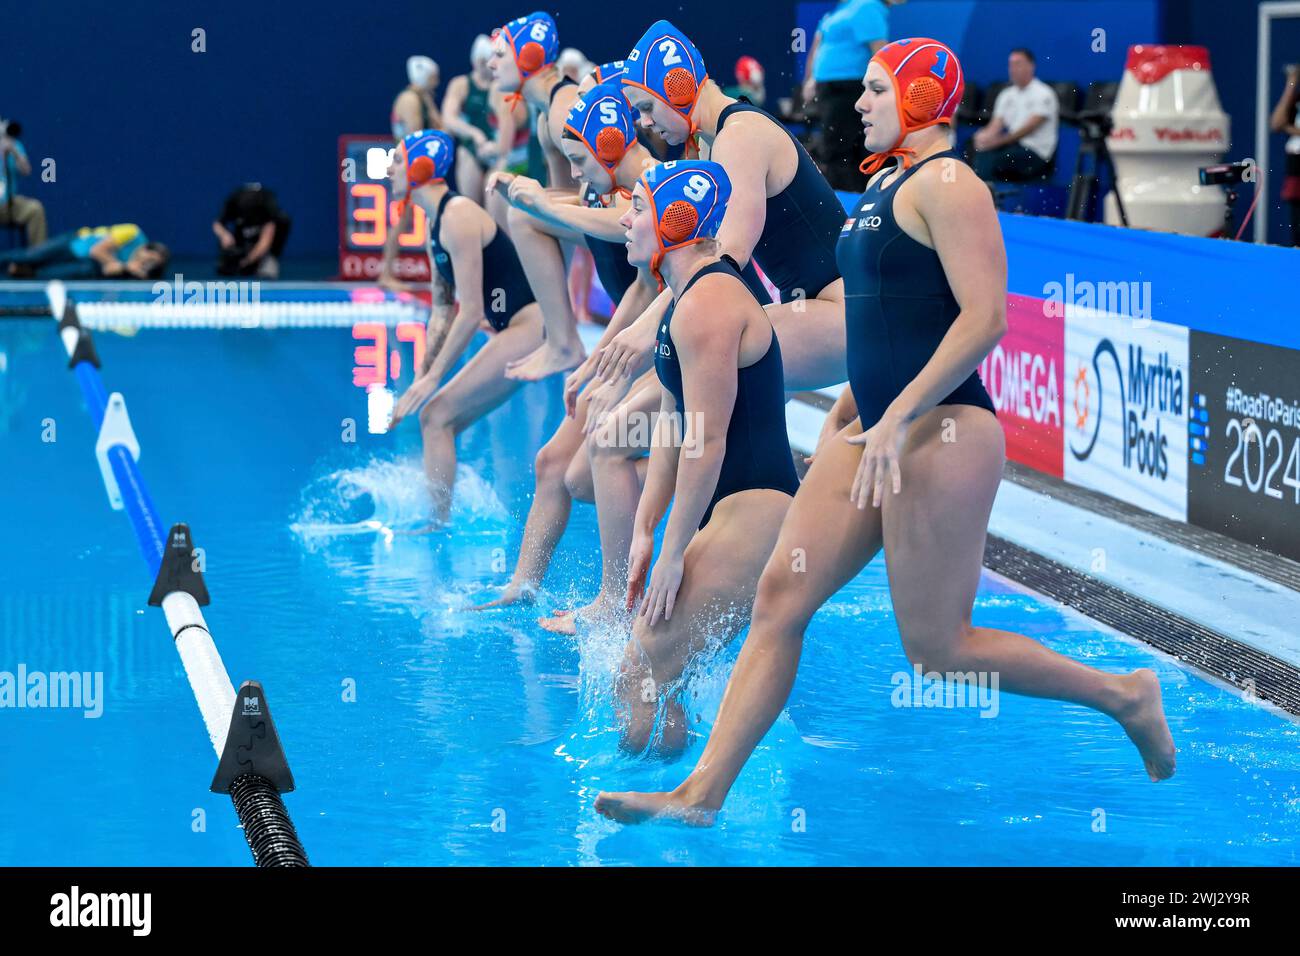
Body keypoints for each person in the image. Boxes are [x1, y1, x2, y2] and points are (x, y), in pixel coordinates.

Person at [596, 38, 1175, 825]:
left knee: (937, 650)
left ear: (921, 100)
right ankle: (700, 795)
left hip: (943, 430)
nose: (858, 104)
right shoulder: (884, 189)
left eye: (875, 90)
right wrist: (855, 411)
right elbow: (877, 329)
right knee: (779, 596)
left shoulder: (950, 184)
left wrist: (899, 412)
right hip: (874, 428)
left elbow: (986, 319)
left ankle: (1124, 694)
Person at [609, 159, 798, 754]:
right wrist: (646, 528)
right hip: (729, 508)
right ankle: (671, 814)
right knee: (659, 682)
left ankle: (646, 817)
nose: (625, 219)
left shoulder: (708, 304)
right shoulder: (681, 297)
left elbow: (706, 441)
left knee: (636, 674)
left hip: (756, 512)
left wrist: (672, 555)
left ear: (676, 220)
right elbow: (671, 419)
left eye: (638, 207)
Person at [471, 80, 662, 634]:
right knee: (556, 466)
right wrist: (593, 361)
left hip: (660, 348)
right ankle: (522, 585)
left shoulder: (653, 192)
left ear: (609, 143)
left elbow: (656, 289)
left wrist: (534, 199)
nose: (574, 175)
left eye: (580, 161)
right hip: (631, 342)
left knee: (587, 475)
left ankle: (616, 603)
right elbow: (637, 288)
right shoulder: (612, 194)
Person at [595, 20, 848, 417]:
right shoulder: (710, 148)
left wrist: (646, 329)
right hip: (812, 313)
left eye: (645, 106)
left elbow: (724, 260)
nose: (644, 123)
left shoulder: (741, 134)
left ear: (677, 87)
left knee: (690, 355)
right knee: (650, 408)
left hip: (841, 317)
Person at [387, 131, 544, 524]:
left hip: (529, 327)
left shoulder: (457, 215)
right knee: (439, 419)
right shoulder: (434, 224)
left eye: (397, 160)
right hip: (513, 328)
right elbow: (442, 308)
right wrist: (422, 375)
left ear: (422, 168)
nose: (389, 169)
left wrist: (433, 379)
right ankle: (442, 518)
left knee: (435, 416)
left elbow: (471, 311)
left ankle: (437, 525)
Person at [485, 11, 588, 382]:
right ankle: (560, 337)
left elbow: (611, 196)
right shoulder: (546, 115)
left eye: (500, 54)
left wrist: (527, 199)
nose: (489, 63)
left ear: (529, 55)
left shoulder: (564, 111)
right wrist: (553, 308)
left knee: (522, 211)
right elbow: (567, 204)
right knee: (530, 206)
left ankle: (565, 343)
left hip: (638, 231)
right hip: (619, 230)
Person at [802, 0, 899, 191]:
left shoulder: (868, 7)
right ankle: (846, 201)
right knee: (837, 148)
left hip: (850, 88)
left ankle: (854, 204)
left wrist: (892, 87)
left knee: (843, 149)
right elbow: (818, 46)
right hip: (830, 89)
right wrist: (810, 79)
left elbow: (881, 52)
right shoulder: (840, 10)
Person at [381, 56, 445, 292]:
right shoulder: (410, 99)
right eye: (434, 78)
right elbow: (418, 138)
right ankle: (386, 274)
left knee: (417, 219)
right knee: (403, 220)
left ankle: (437, 273)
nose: (437, 83)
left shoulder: (420, 98)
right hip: (410, 169)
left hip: (416, 168)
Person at [442, 35, 528, 205]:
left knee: (494, 199)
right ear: (477, 62)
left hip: (501, 151)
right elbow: (448, 119)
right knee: (471, 204)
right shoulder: (462, 84)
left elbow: (506, 142)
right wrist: (474, 133)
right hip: (474, 150)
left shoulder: (502, 89)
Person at [970, 48, 1058, 183]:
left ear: (1031, 66)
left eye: (1018, 64)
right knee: (973, 149)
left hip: (1036, 152)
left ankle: (984, 195)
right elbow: (996, 124)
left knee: (992, 160)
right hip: (1012, 145)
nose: (1013, 69)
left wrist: (996, 142)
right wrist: (983, 137)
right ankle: (979, 193)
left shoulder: (1044, 93)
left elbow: (1028, 129)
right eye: (1010, 64)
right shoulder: (1006, 95)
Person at [1, 223, 168, 279]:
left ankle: (18, 271)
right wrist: (118, 265)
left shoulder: (135, 271)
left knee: (44, 275)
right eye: (149, 259)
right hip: (74, 243)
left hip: (86, 266)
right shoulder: (132, 232)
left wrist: (124, 269)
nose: (145, 264)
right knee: (28, 256)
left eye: (151, 265)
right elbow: (97, 250)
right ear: (146, 248)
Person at [213, 183, 290, 278]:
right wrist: (224, 235)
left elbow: (265, 241)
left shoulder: (268, 206)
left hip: (262, 249)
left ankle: (269, 259)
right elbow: (217, 224)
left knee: (266, 273)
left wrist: (247, 261)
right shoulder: (235, 201)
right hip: (243, 243)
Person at [0, 118, 47, 248]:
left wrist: (13, 150)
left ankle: (37, 257)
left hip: (6, 203)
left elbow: (26, 170)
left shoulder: (12, 144)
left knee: (35, 209)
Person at [1270, 63, 1300, 247]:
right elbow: (1276, 123)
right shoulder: (1296, 100)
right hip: (1296, 169)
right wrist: (1291, 83)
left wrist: (1291, 130)